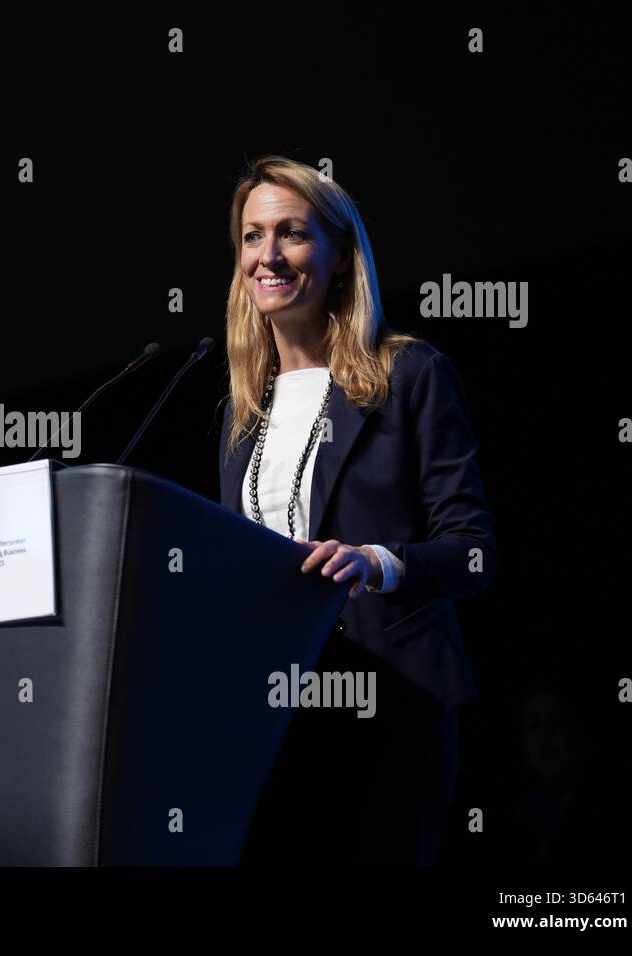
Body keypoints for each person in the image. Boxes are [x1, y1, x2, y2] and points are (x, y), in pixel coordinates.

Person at [219, 156, 497, 865]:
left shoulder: (408, 375)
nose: (268, 257)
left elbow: (474, 550)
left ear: (340, 255)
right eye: (252, 238)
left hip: (391, 706)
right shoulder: (240, 415)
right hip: (274, 718)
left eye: (292, 234)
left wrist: (379, 562)